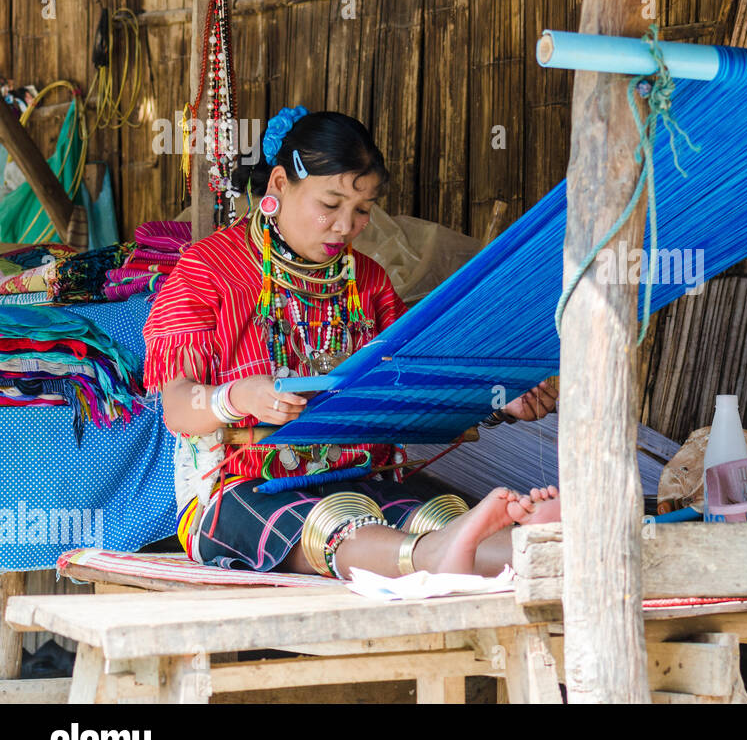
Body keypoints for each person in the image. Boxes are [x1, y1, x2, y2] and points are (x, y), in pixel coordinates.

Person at [143, 107, 559, 581]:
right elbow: (178, 407)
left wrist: (499, 401)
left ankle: (532, 547)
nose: (345, 225)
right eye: (331, 204)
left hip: (357, 477)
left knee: (436, 517)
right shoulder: (207, 269)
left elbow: (413, 386)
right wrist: (240, 396)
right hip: (239, 490)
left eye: (361, 210)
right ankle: (438, 557)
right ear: (279, 184)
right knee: (334, 526)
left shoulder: (367, 281)